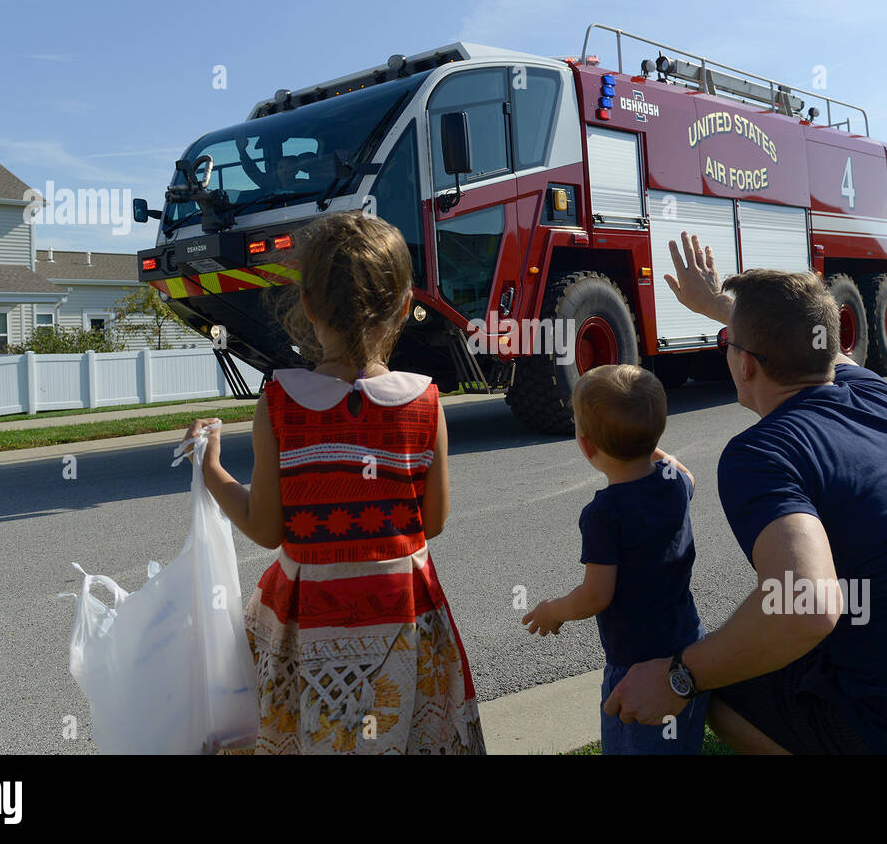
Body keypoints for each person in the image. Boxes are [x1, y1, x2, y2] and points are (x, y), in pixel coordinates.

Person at [603, 233, 887, 754]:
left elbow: (808, 607)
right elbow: (808, 339)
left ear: (745, 364)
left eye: (728, 341)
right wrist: (722, 307)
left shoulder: (763, 452)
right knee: (767, 641)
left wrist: (677, 676)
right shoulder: (877, 394)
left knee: (721, 679)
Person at [183, 212, 486, 755]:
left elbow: (266, 528)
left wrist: (213, 472)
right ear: (401, 306)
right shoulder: (425, 402)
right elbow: (432, 523)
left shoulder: (279, 403)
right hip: (403, 619)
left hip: (310, 621)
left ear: (307, 305)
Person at [521, 364, 709, 755]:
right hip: (688, 649)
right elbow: (686, 471)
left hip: (637, 666)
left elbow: (596, 595)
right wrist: (645, 439)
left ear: (587, 446)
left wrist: (553, 611)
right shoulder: (673, 485)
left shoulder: (604, 514)